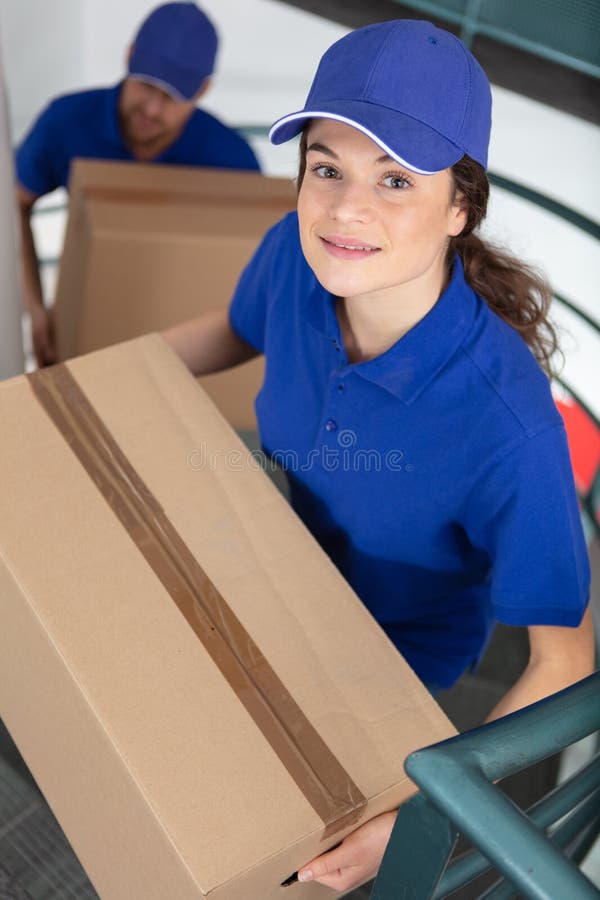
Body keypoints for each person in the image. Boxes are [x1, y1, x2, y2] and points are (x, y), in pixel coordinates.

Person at [163, 20, 594, 896]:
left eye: (395, 179)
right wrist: (76, 387)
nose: (345, 209)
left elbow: (564, 661)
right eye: (327, 168)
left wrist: (426, 813)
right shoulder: (295, 258)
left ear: (460, 207)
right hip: (276, 561)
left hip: (388, 654)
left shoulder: (507, 428)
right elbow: (230, 331)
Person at [16, 2, 260, 367]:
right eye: (147, 85)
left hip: (185, 346)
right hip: (87, 319)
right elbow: (14, 204)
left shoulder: (233, 161)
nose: (152, 109)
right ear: (129, 56)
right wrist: (35, 309)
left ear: (203, 89)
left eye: (172, 96)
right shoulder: (65, 121)